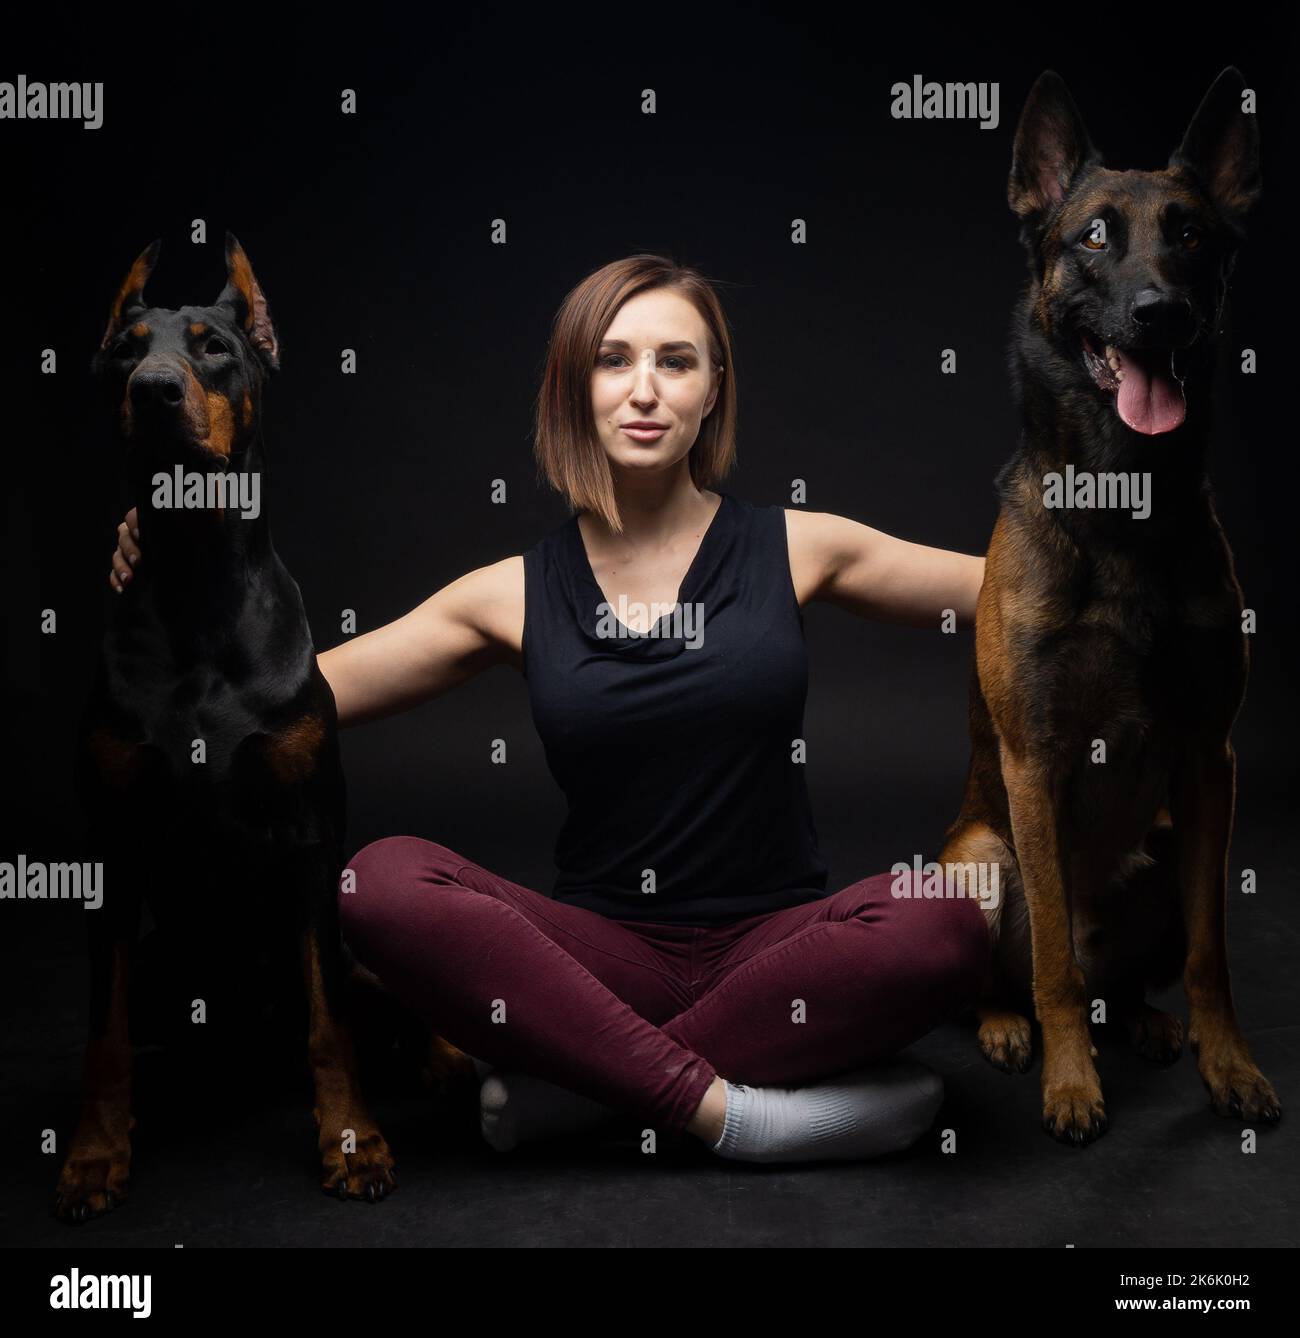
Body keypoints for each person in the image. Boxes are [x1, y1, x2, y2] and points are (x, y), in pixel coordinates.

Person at [108, 254, 991, 1165]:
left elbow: (1016, 590)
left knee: (949, 914)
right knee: (380, 884)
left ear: (714, 389)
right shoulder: (506, 594)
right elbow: (281, 698)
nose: (644, 390)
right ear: (575, 386)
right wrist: (174, 551)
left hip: (778, 952)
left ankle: (586, 1092)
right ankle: (737, 1116)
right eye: (614, 360)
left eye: (676, 361)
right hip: (595, 960)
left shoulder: (806, 545)